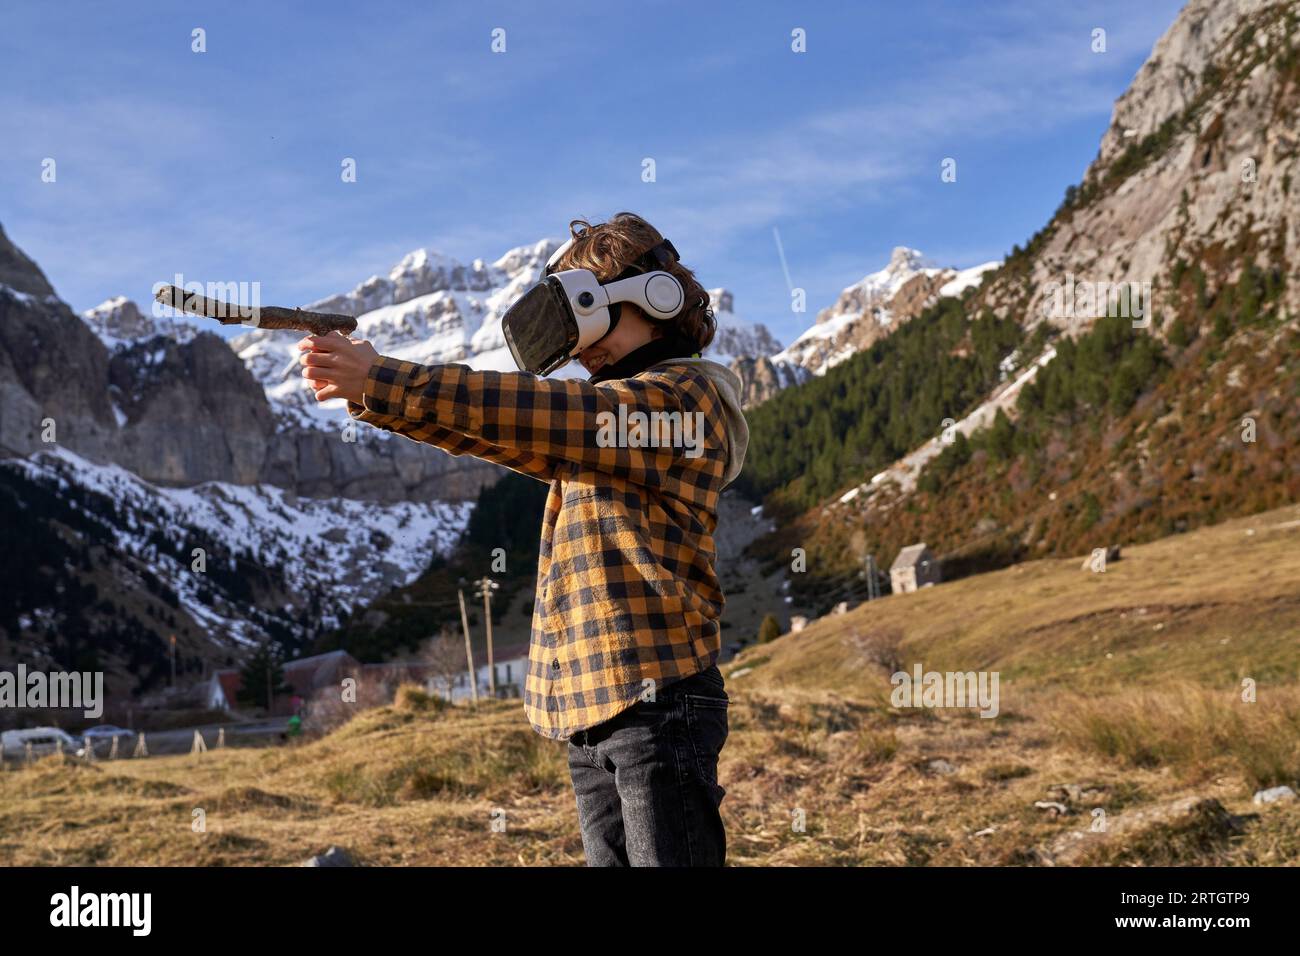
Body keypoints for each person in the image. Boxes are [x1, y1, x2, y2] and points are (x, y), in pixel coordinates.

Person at [298, 212, 749, 866]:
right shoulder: (605, 429)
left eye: (589, 317)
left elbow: (546, 414)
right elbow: (502, 433)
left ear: (654, 298)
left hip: (659, 704)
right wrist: (379, 396)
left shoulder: (684, 405)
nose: (581, 350)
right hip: (592, 714)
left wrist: (383, 380)